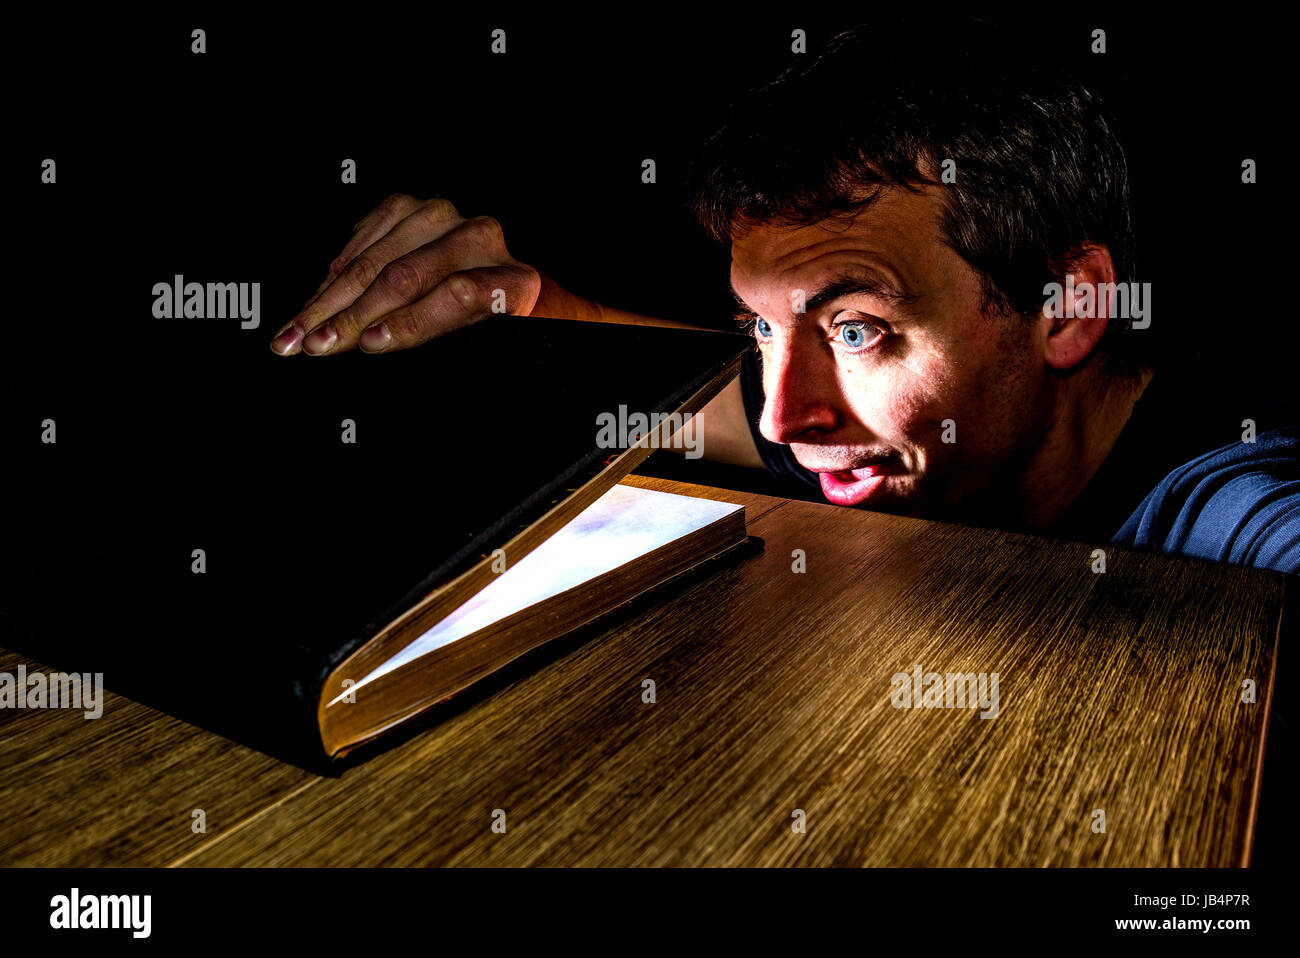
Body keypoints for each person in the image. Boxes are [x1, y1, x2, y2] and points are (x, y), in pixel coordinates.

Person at [266, 26, 1299, 574]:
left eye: (855, 328)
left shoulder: (1231, 508)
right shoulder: (883, 427)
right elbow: (678, 395)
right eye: (760, 327)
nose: (783, 412)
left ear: (1067, 308)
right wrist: (517, 300)